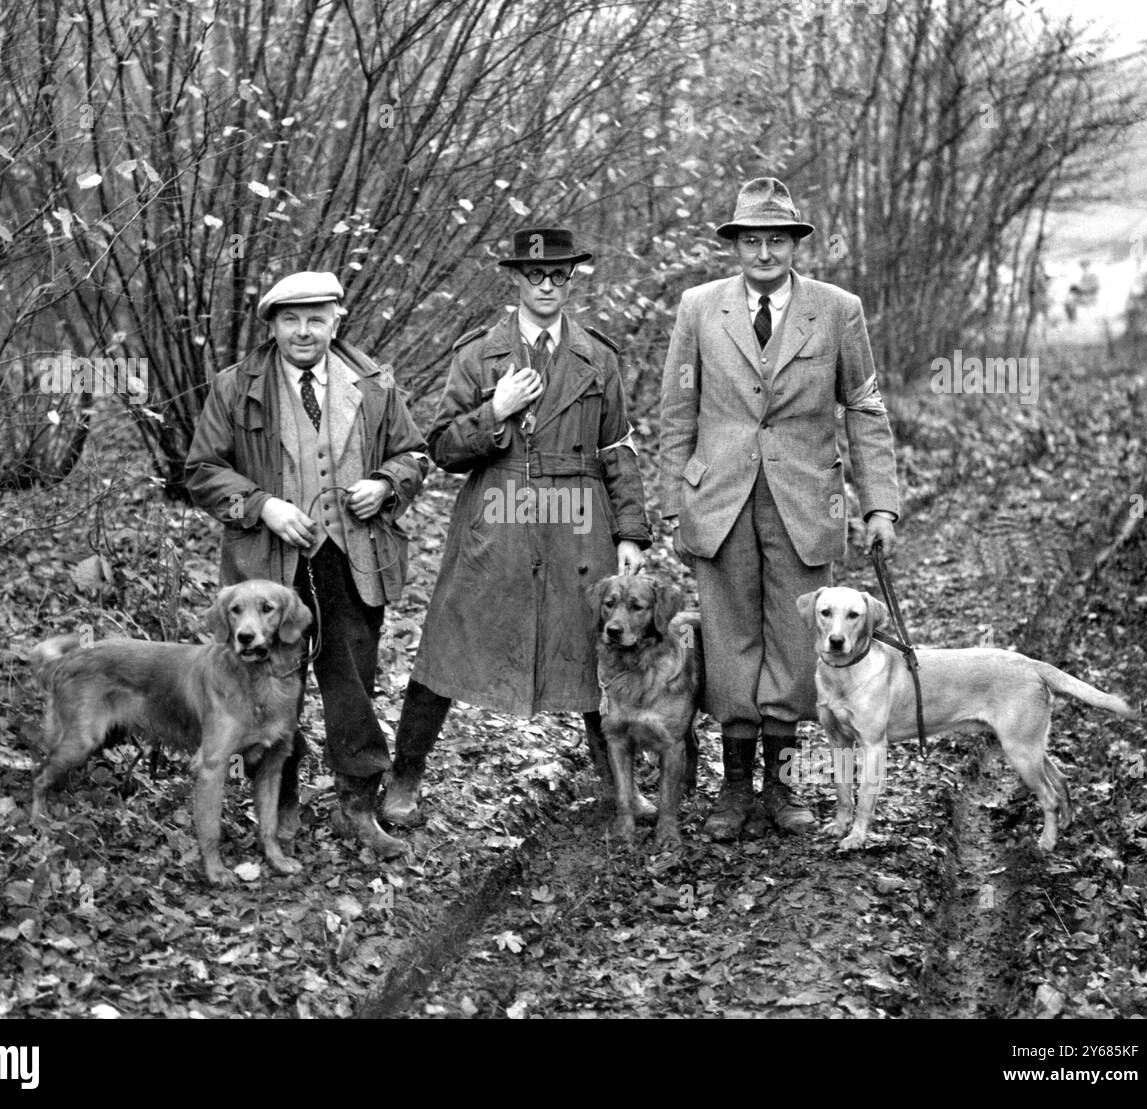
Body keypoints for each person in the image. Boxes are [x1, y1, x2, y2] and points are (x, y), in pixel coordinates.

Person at [381, 227, 652, 827]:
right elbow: (443, 449)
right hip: (498, 511)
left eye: (560, 275)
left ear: (573, 278)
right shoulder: (479, 353)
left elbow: (617, 446)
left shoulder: (598, 356)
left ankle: (618, 782)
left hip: (579, 520)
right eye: (536, 275)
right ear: (516, 279)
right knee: (450, 638)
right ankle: (405, 775)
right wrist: (495, 410)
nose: (548, 286)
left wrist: (630, 532)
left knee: (597, 645)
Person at [659, 178, 901, 841]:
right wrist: (672, 500)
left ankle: (784, 784)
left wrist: (880, 504)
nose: (764, 252)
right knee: (730, 638)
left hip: (805, 500)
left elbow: (867, 407)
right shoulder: (699, 308)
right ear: (734, 245)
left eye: (777, 239)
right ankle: (735, 790)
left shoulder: (837, 309)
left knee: (799, 645)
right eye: (751, 240)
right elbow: (677, 411)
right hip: (721, 498)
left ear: (795, 245)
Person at [185, 270, 429, 859]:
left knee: (354, 689)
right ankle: (281, 807)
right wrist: (263, 505)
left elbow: (415, 453)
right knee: (266, 690)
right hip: (268, 571)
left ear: (336, 321)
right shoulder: (235, 386)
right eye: (290, 319)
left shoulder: (373, 383)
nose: (303, 331)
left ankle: (357, 808)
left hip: (353, 560)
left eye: (316, 318)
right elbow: (202, 471)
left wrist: (385, 484)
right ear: (271, 325)